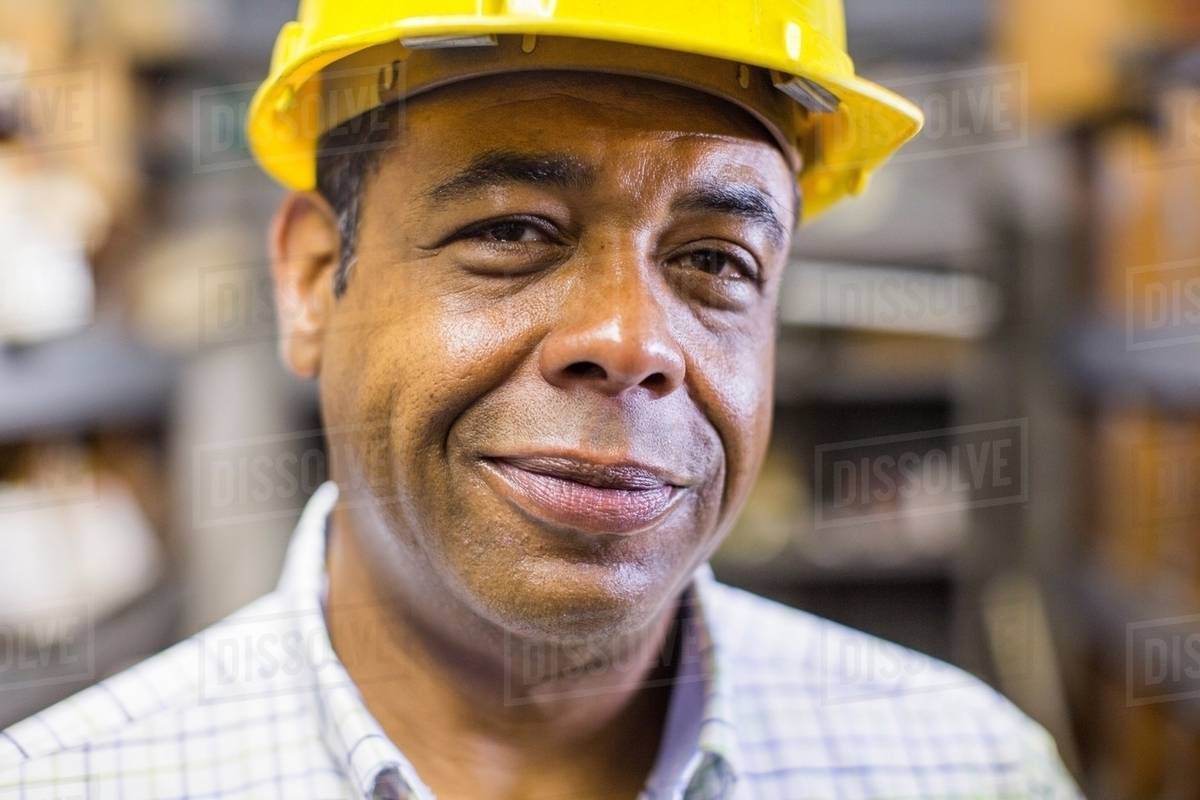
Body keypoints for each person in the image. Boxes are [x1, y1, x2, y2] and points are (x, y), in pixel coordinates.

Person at [0, 2, 1081, 798]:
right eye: (512, 231)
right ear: (310, 279)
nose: (633, 341)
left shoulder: (968, 767)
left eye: (715, 259)